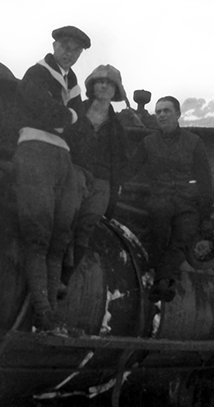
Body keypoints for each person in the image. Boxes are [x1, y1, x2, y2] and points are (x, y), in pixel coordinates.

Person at [13, 25, 91, 331]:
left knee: (59, 237)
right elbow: (45, 111)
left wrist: (65, 117)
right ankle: (43, 311)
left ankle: (52, 313)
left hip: (63, 157)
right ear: (55, 45)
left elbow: (77, 124)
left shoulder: (72, 82)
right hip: (35, 149)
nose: (69, 53)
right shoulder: (36, 73)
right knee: (38, 234)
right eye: (65, 46)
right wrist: (68, 116)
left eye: (76, 50)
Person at [132, 95, 214, 302]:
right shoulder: (148, 143)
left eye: (166, 111)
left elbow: (205, 180)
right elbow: (130, 169)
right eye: (158, 112)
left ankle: (163, 280)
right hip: (159, 199)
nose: (162, 115)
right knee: (159, 232)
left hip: (187, 203)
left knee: (184, 236)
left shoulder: (194, 142)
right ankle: (163, 280)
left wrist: (206, 216)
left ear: (178, 114)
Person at [61, 64, 129, 285]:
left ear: (115, 90)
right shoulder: (75, 112)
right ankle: (55, 271)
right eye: (100, 81)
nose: (104, 86)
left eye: (109, 83)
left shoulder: (117, 127)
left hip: (101, 182)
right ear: (92, 86)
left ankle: (66, 277)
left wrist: (113, 194)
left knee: (86, 226)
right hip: (74, 173)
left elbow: (118, 163)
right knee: (64, 221)